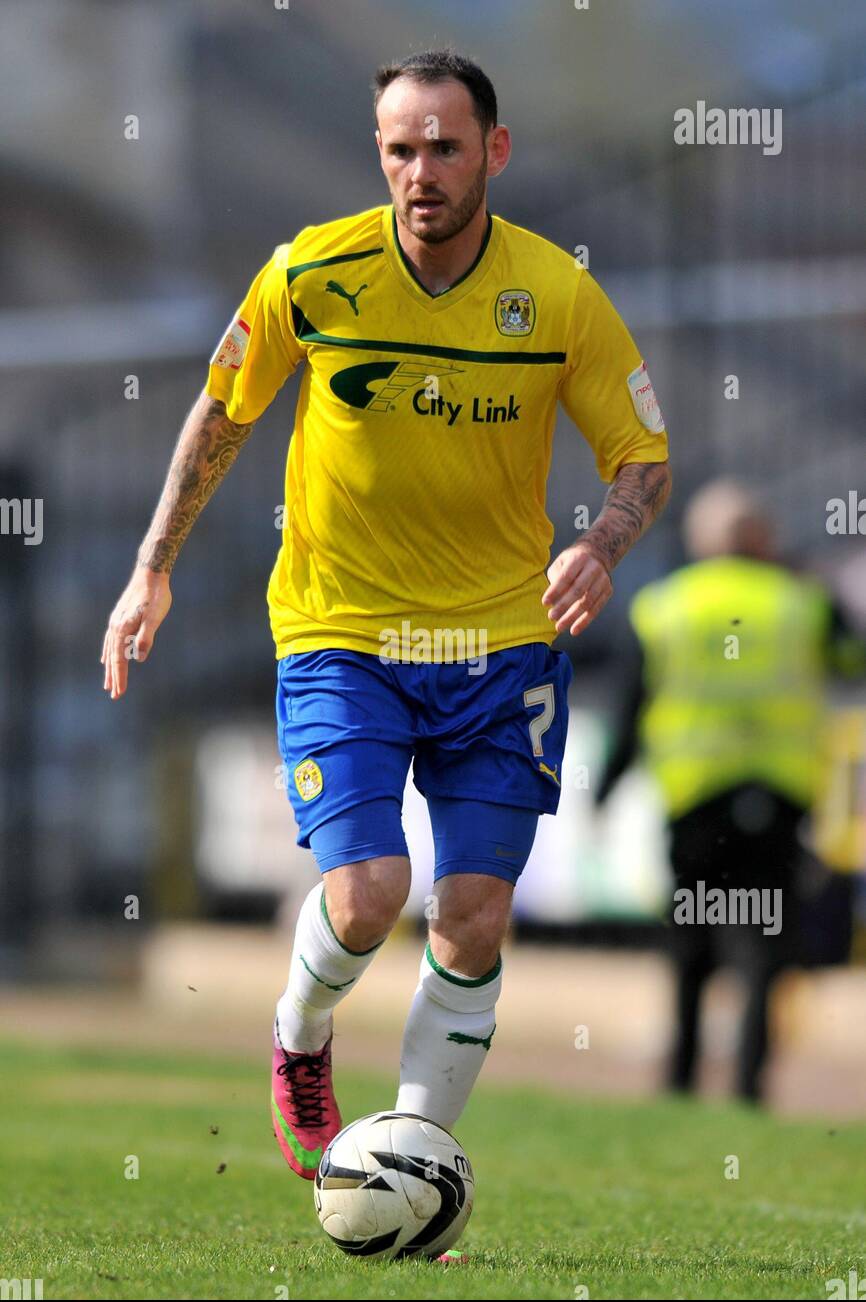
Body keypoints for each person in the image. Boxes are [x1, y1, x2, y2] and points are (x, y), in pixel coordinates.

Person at [101, 50, 671, 1177]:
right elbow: (222, 411)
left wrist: (601, 545)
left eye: (445, 147)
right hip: (341, 628)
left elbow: (641, 456)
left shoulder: (556, 294)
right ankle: (299, 1036)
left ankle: (411, 1163)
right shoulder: (310, 274)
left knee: (471, 914)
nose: (421, 171)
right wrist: (150, 564)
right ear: (379, 153)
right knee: (367, 893)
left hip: (499, 642)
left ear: (492, 152)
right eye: (400, 148)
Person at [596, 479, 861, 1103]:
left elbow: (632, 705)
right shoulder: (800, 601)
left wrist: (604, 788)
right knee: (767, 944)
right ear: (763, 537)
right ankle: (749, 1082)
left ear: (699, 539)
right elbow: (853, 660)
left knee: (691, 939)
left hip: (693, 797)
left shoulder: (665, 604)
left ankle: (681, 1078)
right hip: (780, 797)